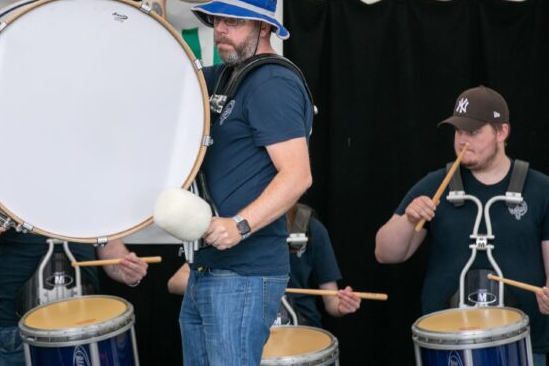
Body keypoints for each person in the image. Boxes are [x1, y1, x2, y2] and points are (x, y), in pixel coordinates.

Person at [143, 0, 315, 365]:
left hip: (244, 274)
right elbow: (163, 77)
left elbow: (298, 175)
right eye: (217, 20)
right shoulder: (224, 75)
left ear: (265, 26)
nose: (221, 30)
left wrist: (240, 224)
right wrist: (154, 0)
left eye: (234, 21)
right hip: (208, 268)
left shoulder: (273, 82)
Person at [375, 86, 549, 365]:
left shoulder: (540, 189)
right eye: (459, 132)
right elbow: (385, 253)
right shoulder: (435, 185)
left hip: (521, 345)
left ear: (502, 132)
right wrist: (409, 220)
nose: (463, 141)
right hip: (447, 348)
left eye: (474, 132)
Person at [0, 199, 150, 366]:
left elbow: (111, 250)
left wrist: (126, 270)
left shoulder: (91, 186)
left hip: (85, 330)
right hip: (20, 332)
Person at [168, 204, 361, 328]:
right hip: (242, 325)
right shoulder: (232, 228)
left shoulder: (311, 228)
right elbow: (175, 282)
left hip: (300, 328)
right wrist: (228, 289)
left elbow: (332, 302)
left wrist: (342, 305)